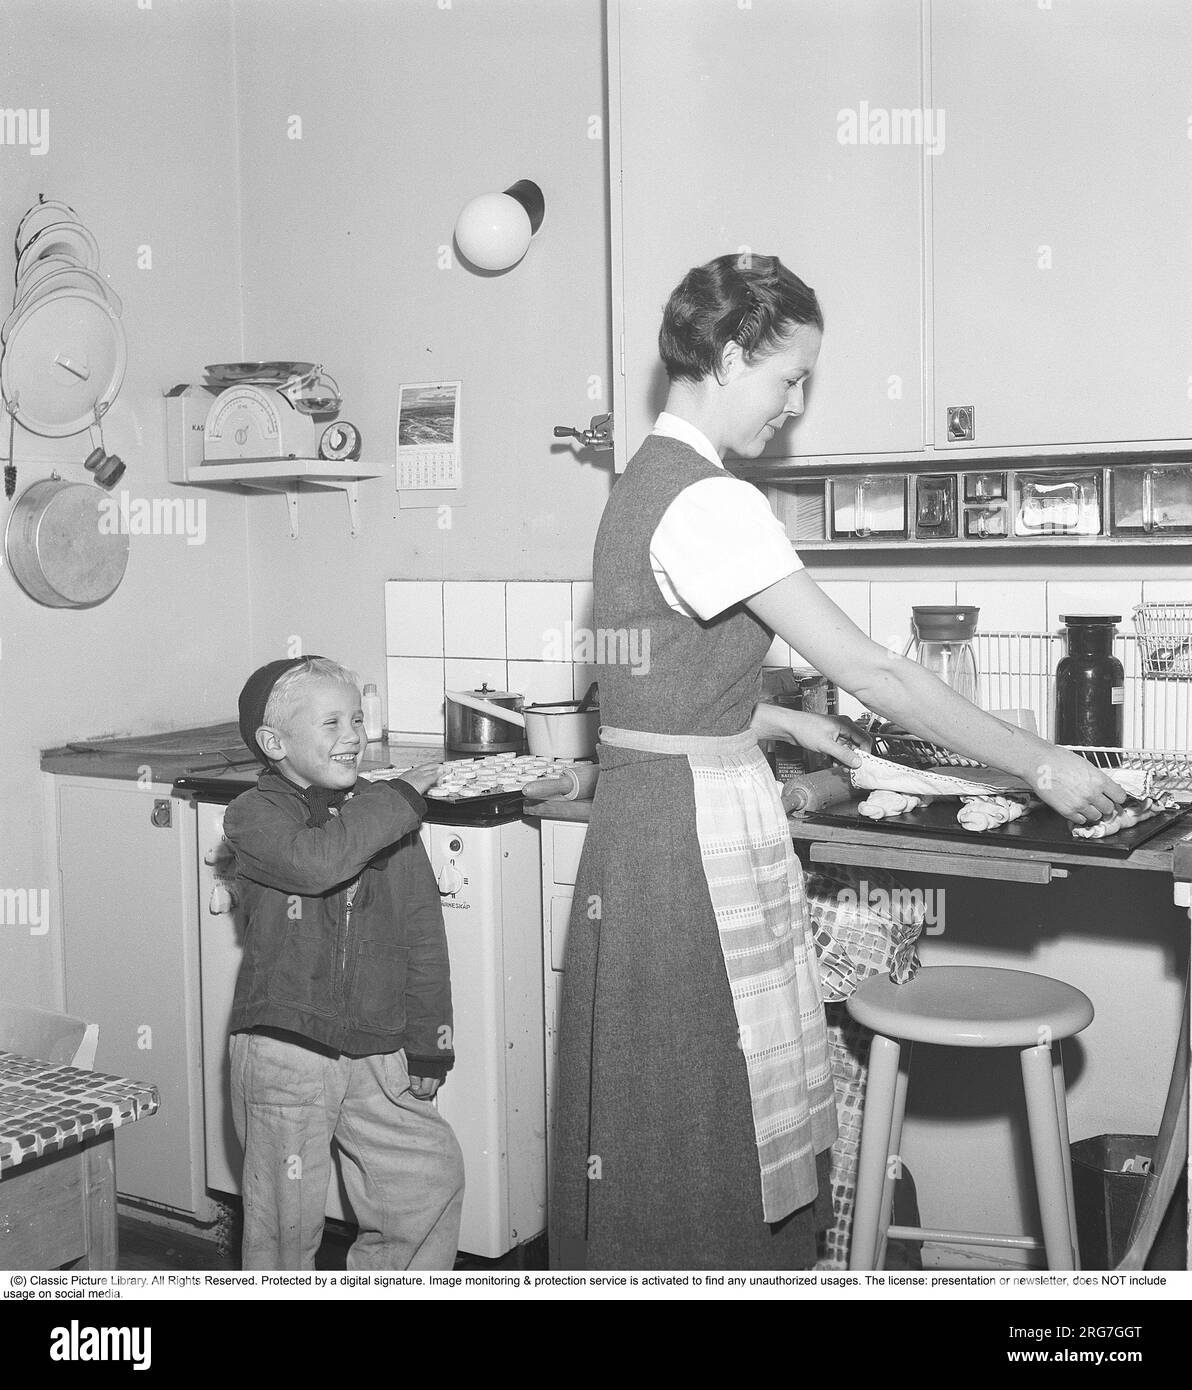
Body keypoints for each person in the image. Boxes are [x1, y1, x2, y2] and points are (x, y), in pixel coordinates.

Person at [552, 252, 1128, 1271]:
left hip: (643, 821)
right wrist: (1041, 764)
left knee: (656, 1105)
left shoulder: (637, 484)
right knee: (702, 1113)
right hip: (686, 839)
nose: (794, 404)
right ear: (729, 358)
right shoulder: (711, 501)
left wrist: (780, 726)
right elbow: (875, 671)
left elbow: (637, 678)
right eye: (787, 379)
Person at [222, 655, 464, 1270]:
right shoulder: (252, 816)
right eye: (331, 722)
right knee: (284, 1221)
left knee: (427, 1179)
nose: (353, 735)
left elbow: (422, 934)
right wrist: (399, 798)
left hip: (378, 1046)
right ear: (275, 743)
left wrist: (430, 1040)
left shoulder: (385, 817)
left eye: (356, 718)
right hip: (286, 1048)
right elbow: (318, 862)